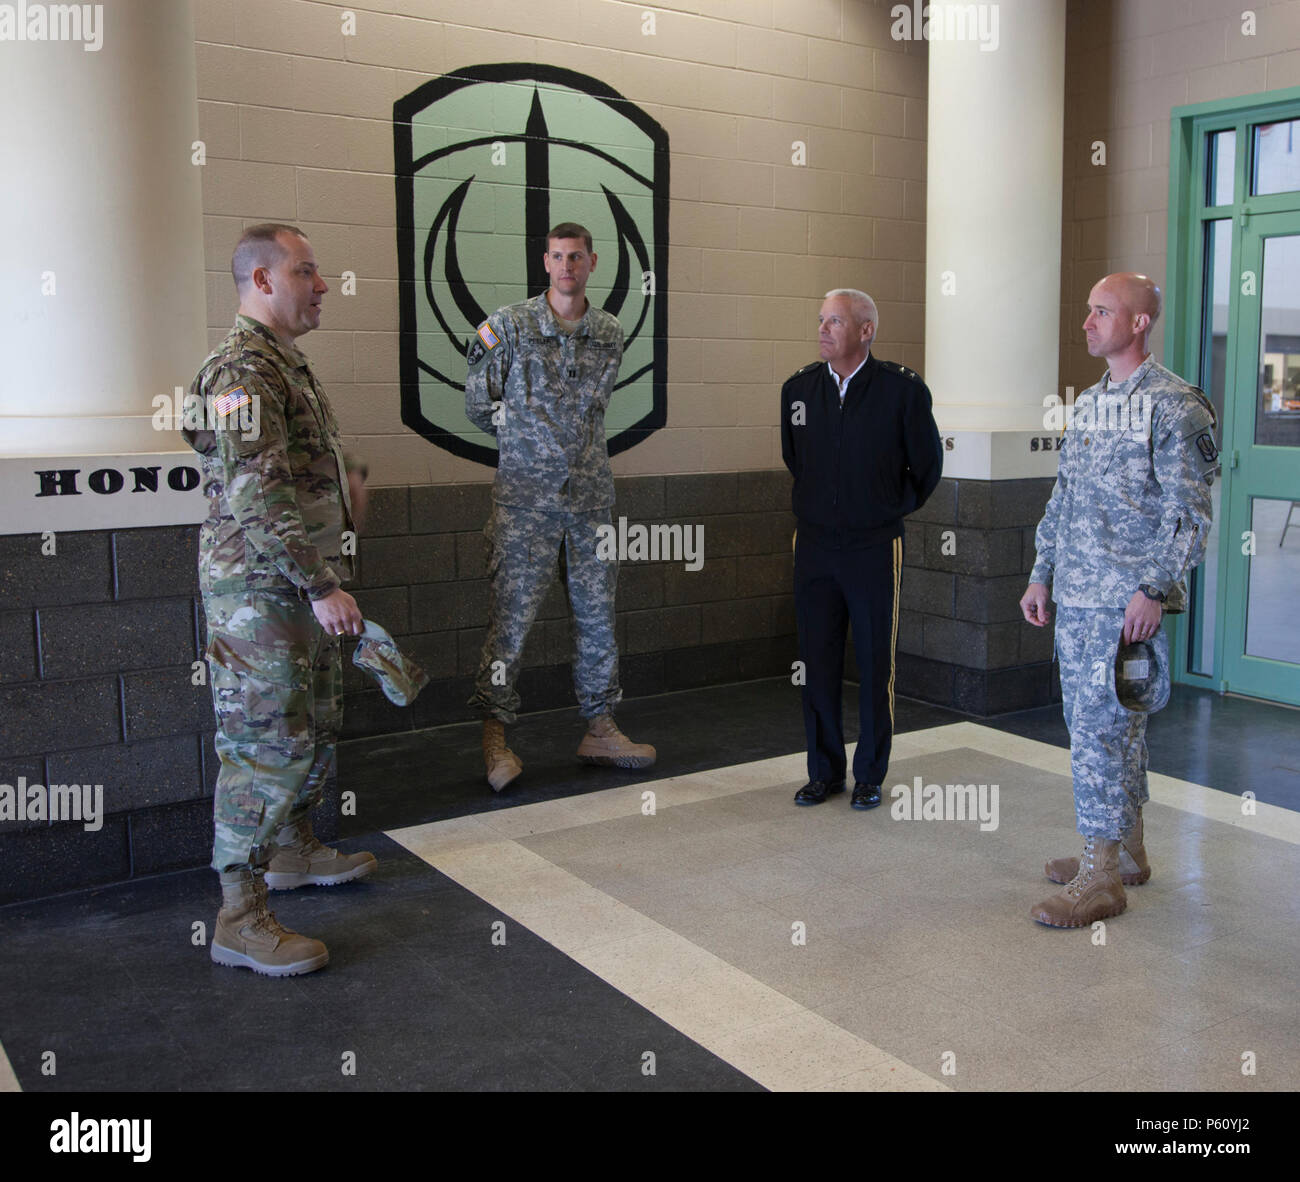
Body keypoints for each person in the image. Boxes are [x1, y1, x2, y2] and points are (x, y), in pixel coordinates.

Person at [184, 223, 375, 977]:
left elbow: (291, 472)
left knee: (312, 722)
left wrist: (345, 489)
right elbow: (255, 493)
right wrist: (321, 582)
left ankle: (292, 847)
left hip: (295, 583)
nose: (323, 284)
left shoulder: (284, 365)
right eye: (307, 270)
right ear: (262, 281)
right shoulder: (240, 370)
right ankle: (239, 917)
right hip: (260, 594)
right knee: (265, 745)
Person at [1021, 271, 1219, 928]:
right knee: (1111, 730)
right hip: (1075, 597)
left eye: (1101, 311)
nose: (1086, 322)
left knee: (1103, 733)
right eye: (1087, 310)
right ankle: (1126, 849)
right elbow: (1063, 500)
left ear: (1138, 323)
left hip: (1125, 603)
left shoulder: (1176, 406)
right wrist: (1040, 572)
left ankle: (1100, 875)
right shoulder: (1091, 404)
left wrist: (1154, 588)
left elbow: (1189, 515)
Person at [465, 222, 655, 791]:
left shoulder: (609, 332)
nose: (566, 266)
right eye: (557, 256)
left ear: (592, 263)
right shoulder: (510, 326)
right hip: (526, 502)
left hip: (592, 499)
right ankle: (495, 738)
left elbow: (594, 413)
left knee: (599, 618)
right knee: (512, 622)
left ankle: (599, 725)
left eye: (576, 257)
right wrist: (525, 443)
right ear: (544, 262)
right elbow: (478, 402)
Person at [780, 289, 943, 811]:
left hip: (874, 546)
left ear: (866, 330)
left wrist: (883, 506)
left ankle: (869, 772)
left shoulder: (902, 391)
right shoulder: (799, 390)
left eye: (836, 322)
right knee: (816, 661)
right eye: (821, 320)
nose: (823, 330)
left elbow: (927, 465)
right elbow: (795, 458)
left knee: (875, 663)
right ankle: (823, 771)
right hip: (815, 546)